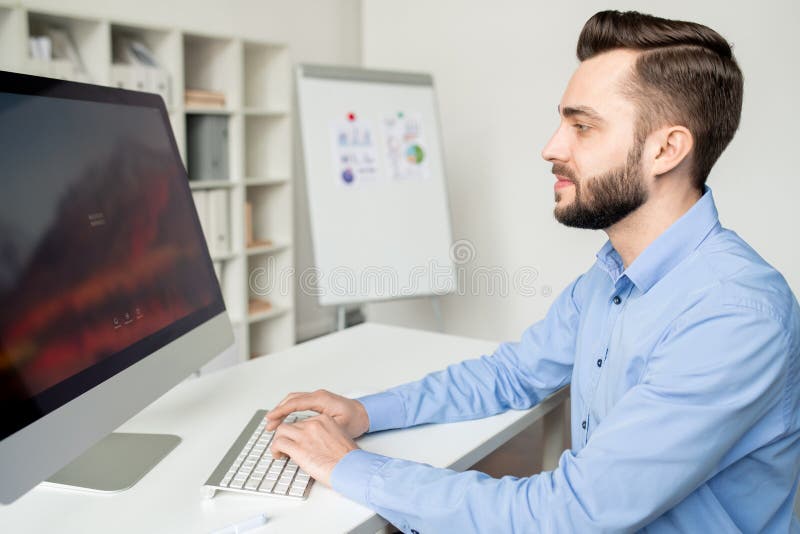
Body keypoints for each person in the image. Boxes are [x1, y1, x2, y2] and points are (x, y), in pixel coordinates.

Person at [267, 10, 800, 533]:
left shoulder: (734, 315)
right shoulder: (610, 277)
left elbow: (567, 515)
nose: (551, 148)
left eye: (582, 126)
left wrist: (351, 467)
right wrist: (365, 413)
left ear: (666, 149)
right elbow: (514, 373)